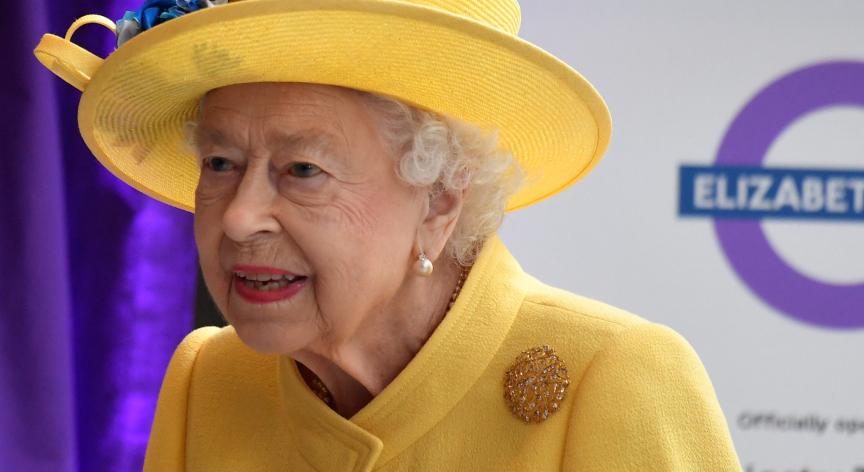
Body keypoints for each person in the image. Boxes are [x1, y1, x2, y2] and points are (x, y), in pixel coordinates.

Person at [35, 0, 741, 470]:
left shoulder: (609, 377)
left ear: (438, 200)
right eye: (221, 162)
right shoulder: (209, 380)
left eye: (302, 169)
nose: (241, 216)